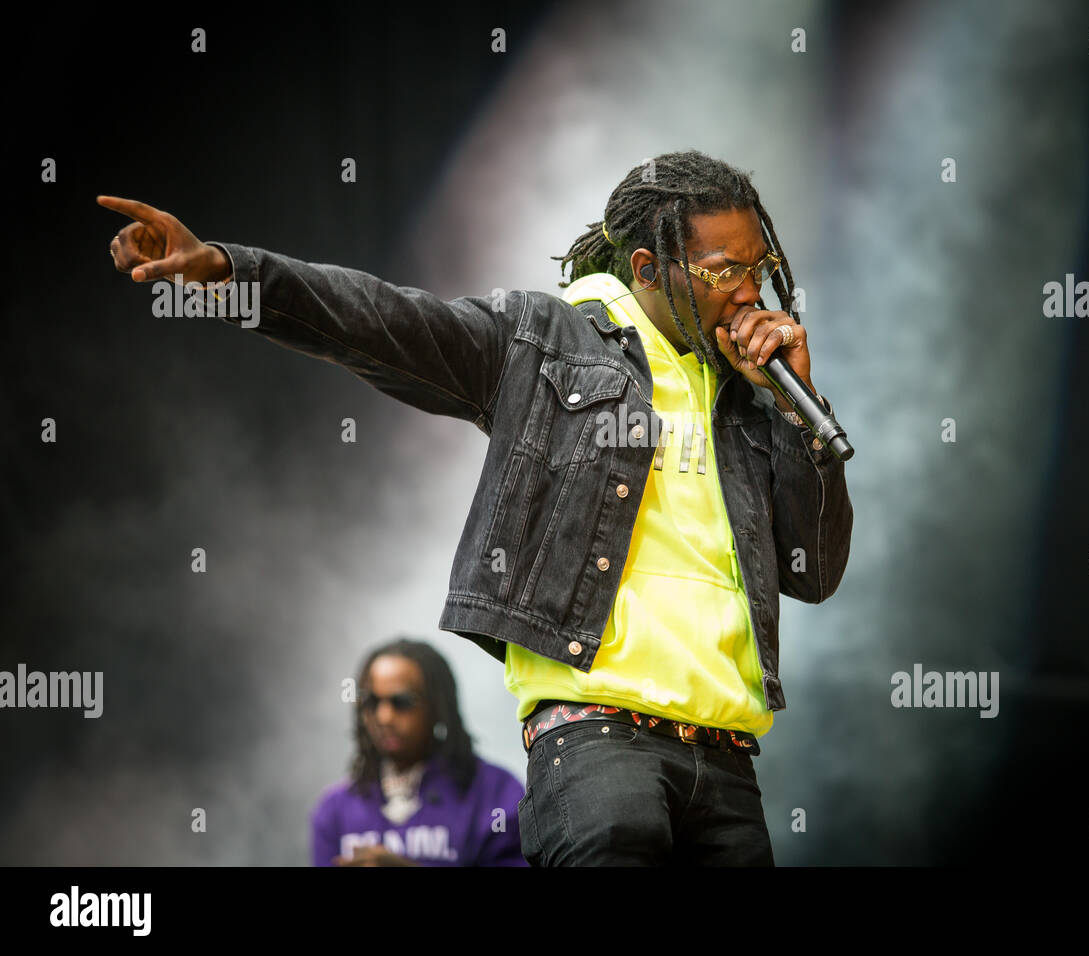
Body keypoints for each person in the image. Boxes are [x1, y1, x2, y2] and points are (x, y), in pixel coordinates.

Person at [100, 149, 853, 865]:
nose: (751, 291)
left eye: (762, 268)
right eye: (724, 269)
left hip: (728, 763)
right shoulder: (547, 340)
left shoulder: (750, 397)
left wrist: (799, 409)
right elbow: (378, 319)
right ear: (648, 269)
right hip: (599, 746)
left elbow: (813, 572)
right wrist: (229, 272)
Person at [310, 637, 527, 866]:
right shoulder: (334, 810)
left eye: (402, 702)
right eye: (372, 702)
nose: (384, 717)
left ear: (438, 707)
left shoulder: (496, 794)